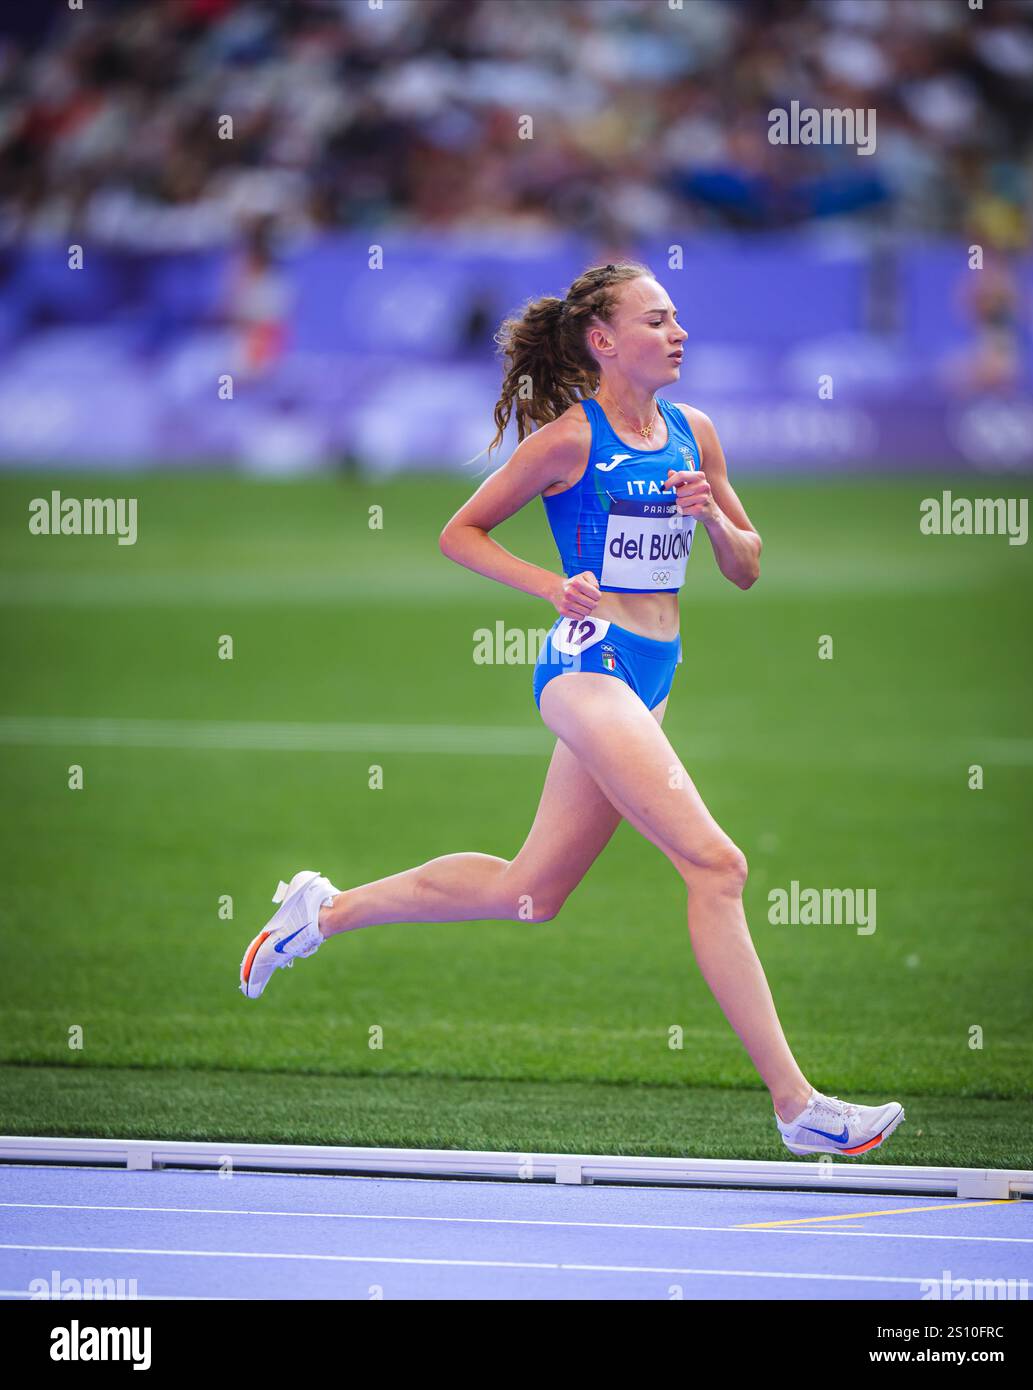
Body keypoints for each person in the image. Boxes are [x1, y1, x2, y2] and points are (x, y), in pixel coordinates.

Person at [238, 261, 904, 1159]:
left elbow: (747, 568)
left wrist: (714, 522)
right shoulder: (568, 441)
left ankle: (321, 913)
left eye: (678, 319)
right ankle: (798, 1107)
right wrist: (552, 586)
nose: (677, 333)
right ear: (604, 340)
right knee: (718, 866)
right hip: (587, 671)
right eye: (657, 319)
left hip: (655, 673)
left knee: (529, 892)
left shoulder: (693, 432)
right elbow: (459, 532)